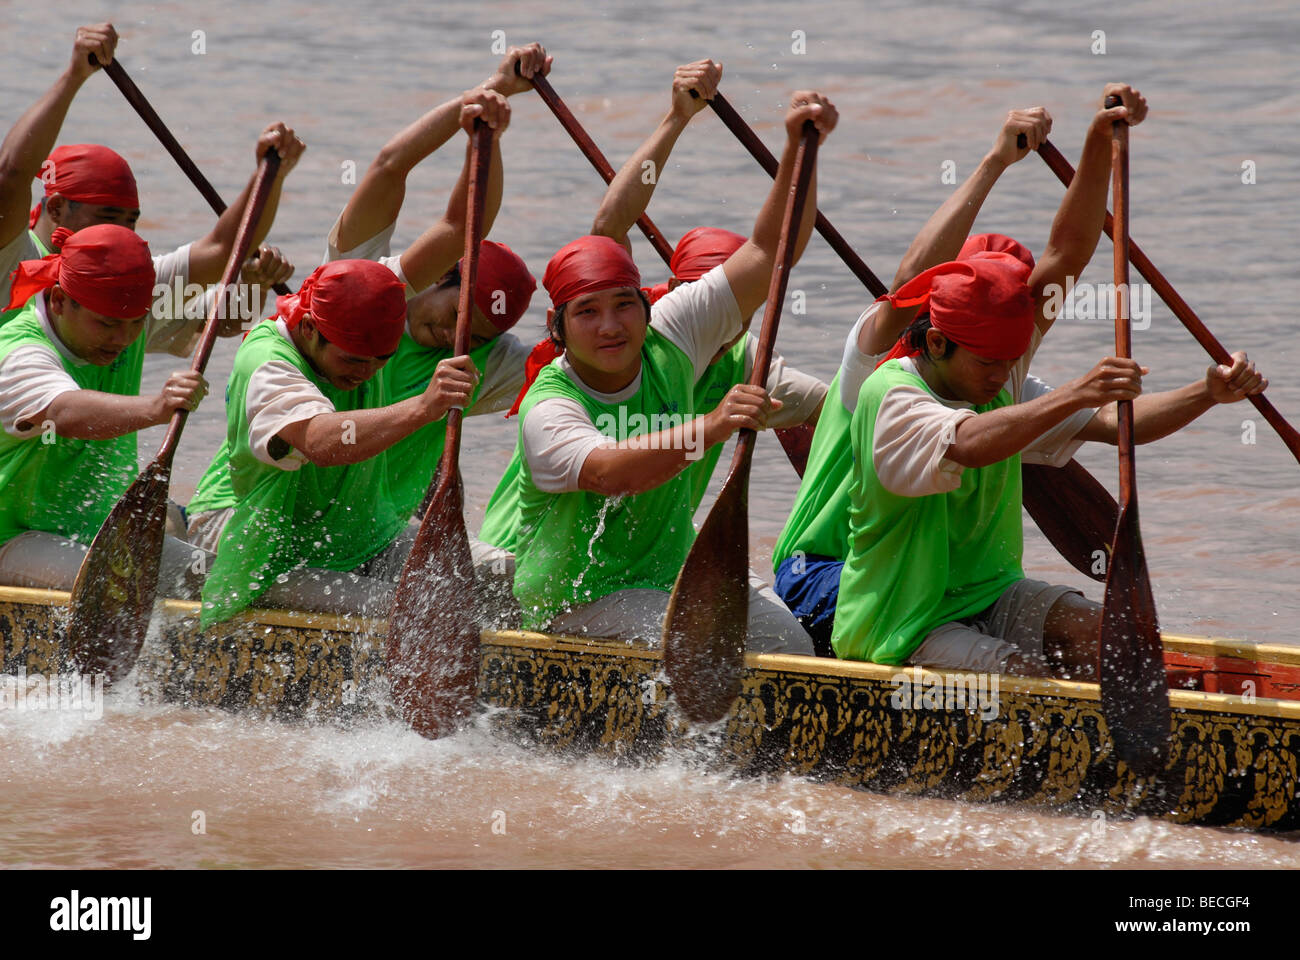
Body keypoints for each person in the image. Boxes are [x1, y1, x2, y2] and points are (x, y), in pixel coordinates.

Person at [775, 85, 1141, 655]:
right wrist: (995, 161)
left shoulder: (1001, 362)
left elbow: (1068, 255)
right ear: (944, 316)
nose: (1010, 312)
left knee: (1098, 642)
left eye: (1014, 300)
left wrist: (1099, 144)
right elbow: (909, 282)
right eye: (989, 296)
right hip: (831, 570)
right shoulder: (879, 358)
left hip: (945, 581)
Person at [830, 221, 1268, 677]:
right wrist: (1076, 392)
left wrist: (1207, 393)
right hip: (899, 623)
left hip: (990, 595)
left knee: (1122, 642)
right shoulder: (891, 393)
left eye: (1009, 362)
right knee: (1027, 678)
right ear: (937, 343)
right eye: (987, 363)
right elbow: (969, 444)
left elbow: (1119, 423)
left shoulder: (995, 388)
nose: (1001, 377)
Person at [502, 91, 839, 653]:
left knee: (791, 646)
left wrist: (801, 150)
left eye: (623, 305)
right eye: (587, 312)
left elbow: (767, 252)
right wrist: (711, 427)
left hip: (668, 574)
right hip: (571, 599)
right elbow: (611, 473)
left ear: (647, 303)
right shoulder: (549, 405)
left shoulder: (672, 331)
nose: (611, 326)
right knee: (698, 643)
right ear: (558, 329)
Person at [189, 52, 541, 572]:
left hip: (355, 527)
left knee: (489, 579)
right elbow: (391, 168)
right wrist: (481, 97)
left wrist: (485, 136)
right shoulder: (358, 283)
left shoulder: (464, 346)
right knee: (398, 607)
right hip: (249, 518)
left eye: (476, 335)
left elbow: (464, 225)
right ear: (443, 275)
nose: (453, 335)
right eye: (455, 313)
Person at [196, 259, 481, 629]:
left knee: (475, 582)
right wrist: (424, 408)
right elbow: (319, 441)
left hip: (352, 535)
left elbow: (451, 229)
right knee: (412, 612)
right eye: (353, 360)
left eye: (382, 361)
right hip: (260, 546)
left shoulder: (375, 307)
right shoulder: (267, 363)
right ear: (310, 328)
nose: (366, 374)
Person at [0, 23, 305, 331]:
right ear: (55, 209)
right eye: (107, 217)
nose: (123, 233)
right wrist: (73, 77)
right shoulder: (13, 260)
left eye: (131, 221)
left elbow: (224, 275)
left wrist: (269, 177)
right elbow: (11, 176)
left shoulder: (129, 281)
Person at [0, 225, 210, 595]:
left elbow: (220, 249)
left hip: (94, 531)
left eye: (135, 324)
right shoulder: (19, 352)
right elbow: (63, 413)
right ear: (60, 300)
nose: (123, 339)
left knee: (213, 577)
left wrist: (273, 172)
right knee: (116, 586)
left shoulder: (120, 308)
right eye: (109, 324)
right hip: (12, 538)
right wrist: (157, 408)